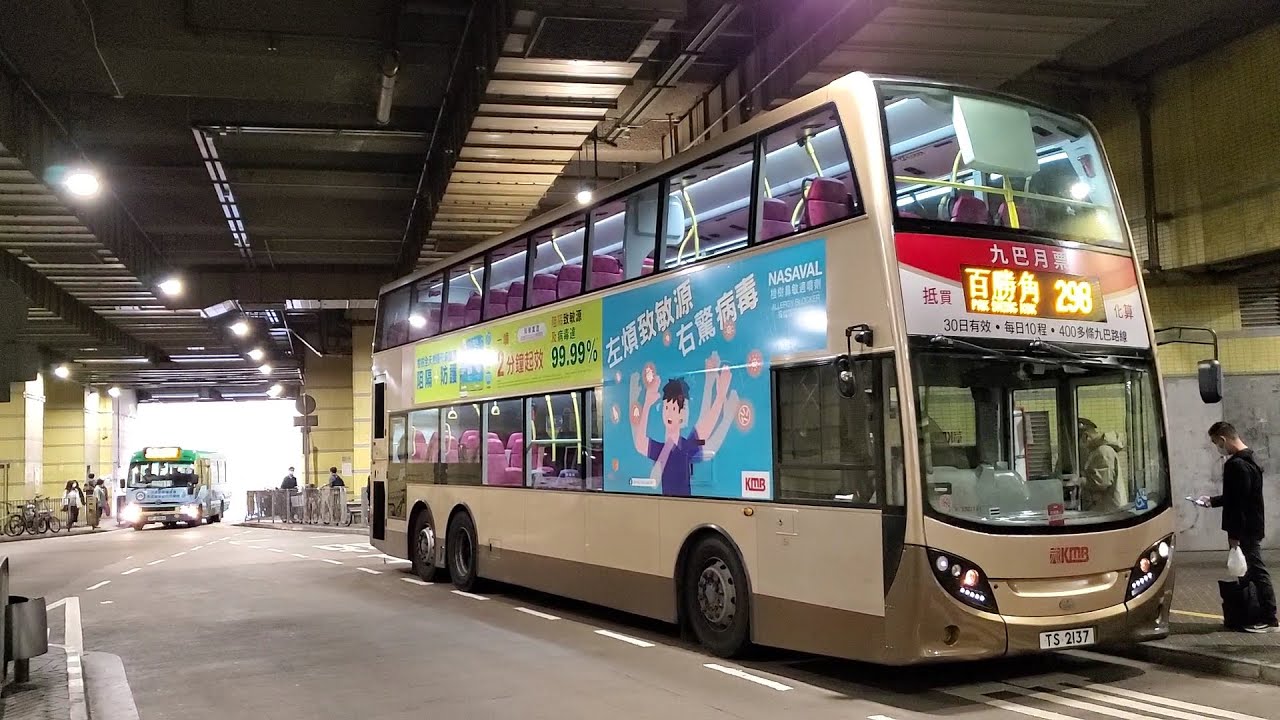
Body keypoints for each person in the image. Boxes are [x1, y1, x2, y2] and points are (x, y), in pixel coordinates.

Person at [1199, 421, 1276, 633]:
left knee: (1256, 571)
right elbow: (1237, 496)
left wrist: (1234, 536)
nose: (1217, 448)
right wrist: (1212, 501)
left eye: (1216, 443)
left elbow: (1237, 505)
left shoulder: (1235, 465)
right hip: (1253, 525)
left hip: (1244, 529)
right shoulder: (1250, 461)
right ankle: (1257, 613)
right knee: (1251, 570)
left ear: (1223, 439)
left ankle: (1270, 618)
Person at [1079, 418, 1125, 513]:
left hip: (1109, 510)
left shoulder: (1103, 451)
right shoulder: (1097, 451)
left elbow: (1102, 482)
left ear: (1085, 436)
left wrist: (1081, 481)